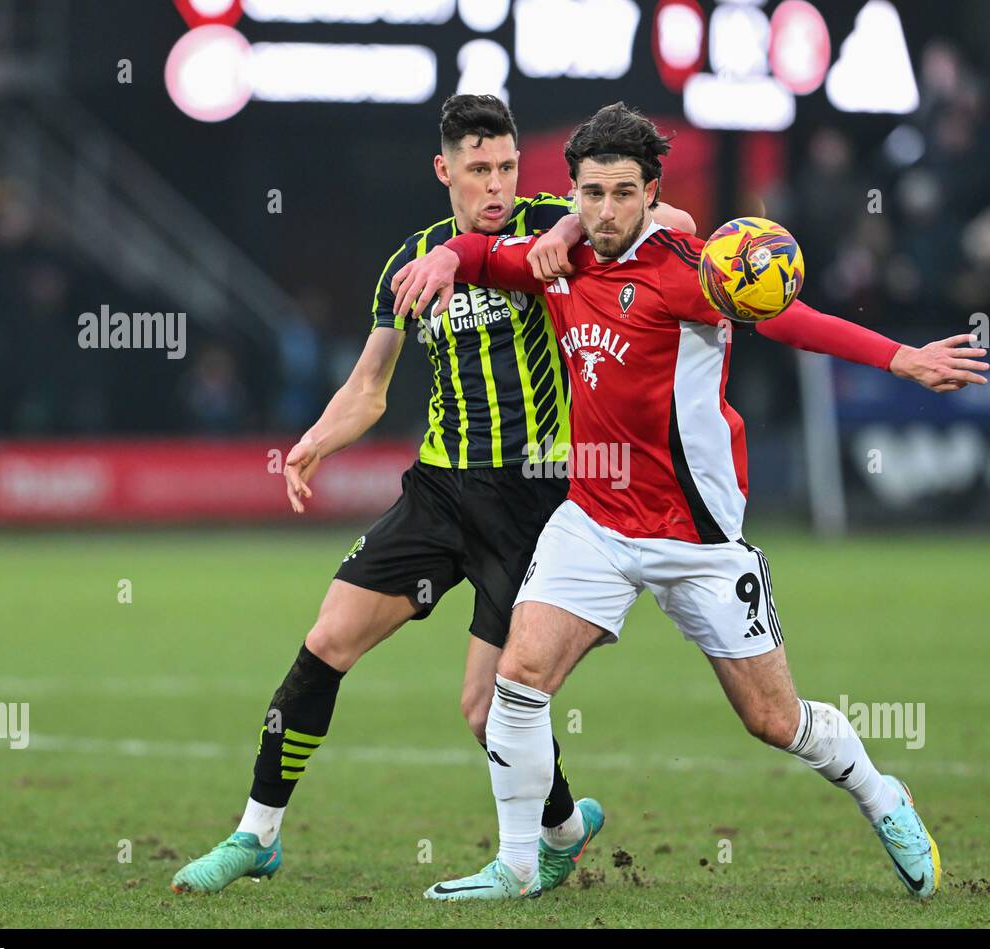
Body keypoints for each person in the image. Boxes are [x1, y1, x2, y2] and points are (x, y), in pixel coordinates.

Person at [391, 102, 990, 901]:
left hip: (696, 536)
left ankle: (884, 796)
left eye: (623, 194)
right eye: (591, 194)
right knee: (518, 680)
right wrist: (448, 260)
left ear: (651, 193)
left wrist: (900, 358)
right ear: (571, 192)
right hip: (594, 522)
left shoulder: (690, 269)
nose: (605, 212)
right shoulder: (555, 258)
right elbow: (482, 251)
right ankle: (520, 863)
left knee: (774, 722)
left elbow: (790, 320)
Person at [170, 95, 698, 894]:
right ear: (443, 170)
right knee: (325, 644)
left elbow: (681, 221)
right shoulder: (409, 263)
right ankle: (258, 833)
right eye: (479, 169)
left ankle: (554, 830)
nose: (496, 185)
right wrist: (316, 437)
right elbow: (369, 387)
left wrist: (562, 230)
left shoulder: (566, 218)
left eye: (508, 167)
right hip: (438, 494)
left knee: (487, 711)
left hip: (535, 503)